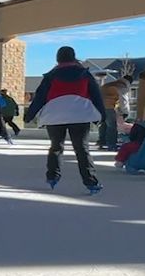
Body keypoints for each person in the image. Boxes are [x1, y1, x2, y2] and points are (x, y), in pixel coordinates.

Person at [23, 46, 104, 194]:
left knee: (56, 147)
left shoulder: (51, 76)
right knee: (81, 149)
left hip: (55, 115)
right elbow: (96, 96)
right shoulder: (85, 75)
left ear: (57, 59)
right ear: (74, 57)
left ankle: (52, 177)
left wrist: (29, 115)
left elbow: (40, 97)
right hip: (80, 115)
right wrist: (101, 115)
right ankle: (91, 182)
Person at [96, 77, 128, 150]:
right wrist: (124, 112)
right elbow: (123, 100)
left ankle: (102, 143)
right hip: (109, 107)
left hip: (100, 107)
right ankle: (111, 144)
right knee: (112, 126)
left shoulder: (108, 85)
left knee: (103, 125)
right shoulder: (121, 87)